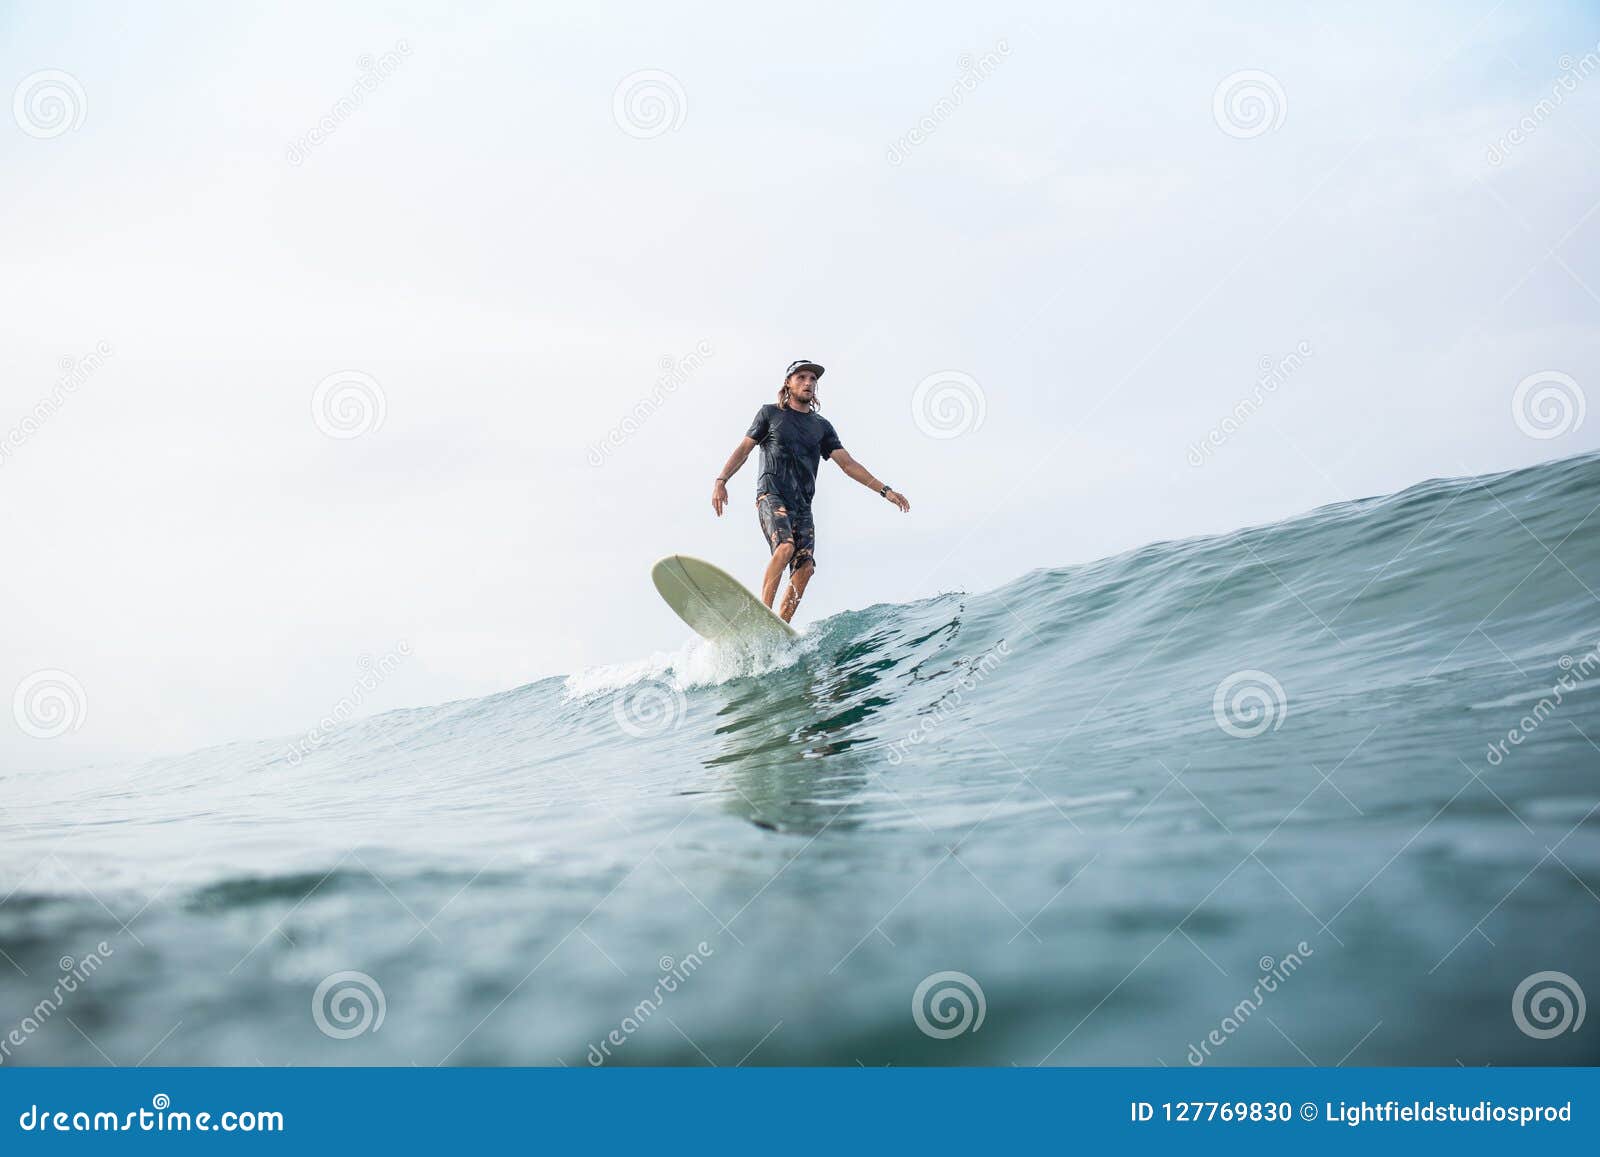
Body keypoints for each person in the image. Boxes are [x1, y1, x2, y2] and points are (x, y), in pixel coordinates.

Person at [711, 359, 910, 622]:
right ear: (788, 383)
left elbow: (848, 464)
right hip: (772, 494)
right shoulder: (769, 414)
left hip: (802, 505)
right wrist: (721, 480)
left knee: (805, 567)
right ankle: (763, 614)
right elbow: (744, 449)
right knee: (784, 548)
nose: (808, 383)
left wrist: (885, 490)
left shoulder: (821, 427)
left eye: (813, 379)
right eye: (801, 377)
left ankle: (781, 625)